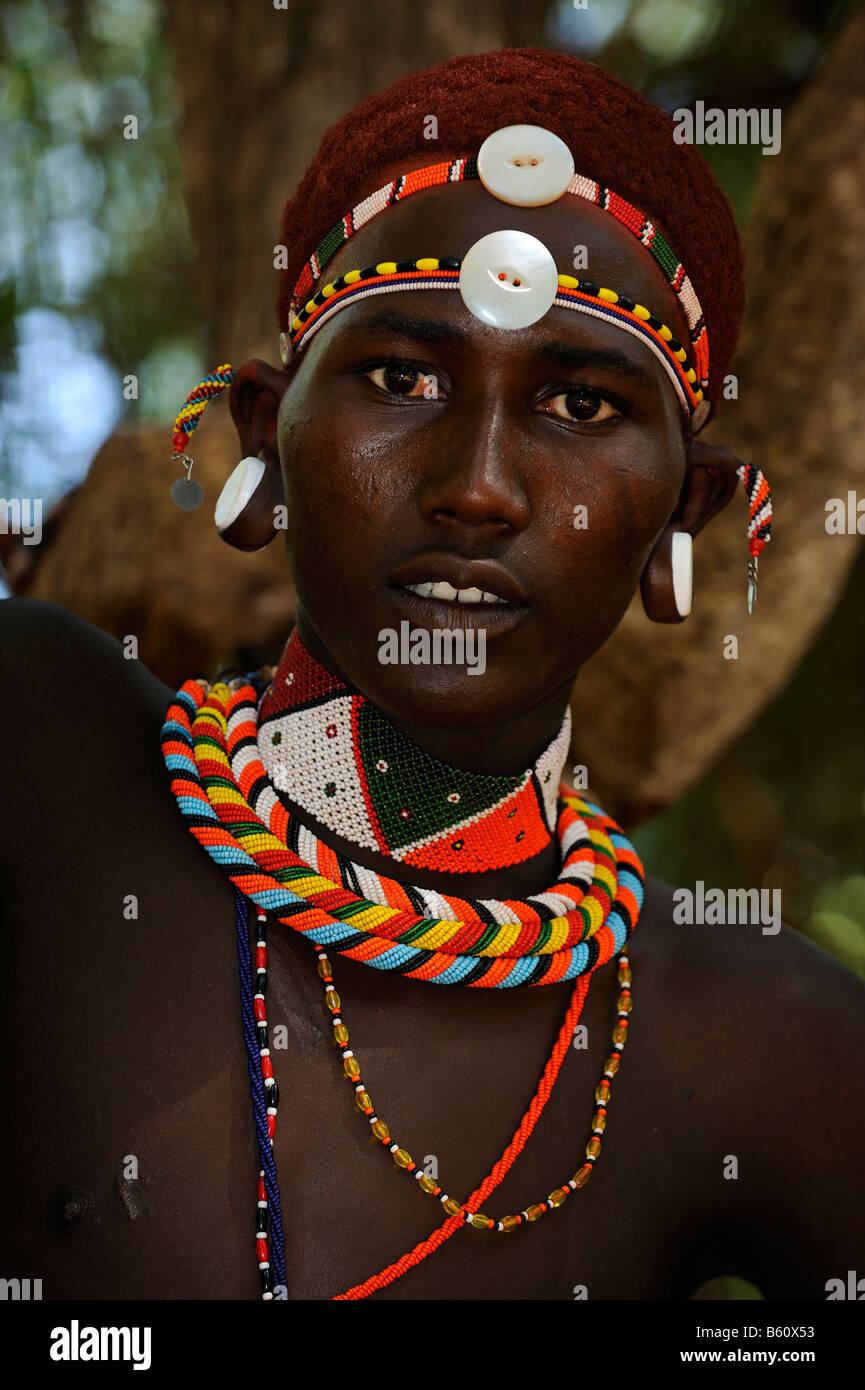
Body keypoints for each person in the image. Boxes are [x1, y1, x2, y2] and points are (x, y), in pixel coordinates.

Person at [1, 47, 862, 1303]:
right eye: (400, 379)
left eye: (579, 406)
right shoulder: (43, 756)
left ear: (687, 515)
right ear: (267, 439)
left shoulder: (756, 1036)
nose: (477, 486)